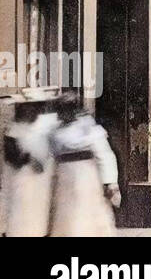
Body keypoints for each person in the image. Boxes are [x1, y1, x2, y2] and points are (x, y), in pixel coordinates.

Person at [49, 95, 119, 236]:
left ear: (74, 109)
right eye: (61, 110)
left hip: (86, 177)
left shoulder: (87, 128)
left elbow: (105, 155)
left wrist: (110, 182)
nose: (64, 113)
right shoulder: (55, 132)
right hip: (65, 180)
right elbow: (52, 156)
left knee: (86, 214)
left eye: (67, 109)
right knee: (67, 216)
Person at [1, 90, 60, 236]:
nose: (33, 112)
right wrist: (28, 159)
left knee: (40, 211)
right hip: (22, 179)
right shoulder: (13, 130)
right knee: (23, 211)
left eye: (36, 108)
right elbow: (12, 158)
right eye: (29, 108)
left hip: (41, 180)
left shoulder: (44, 127)